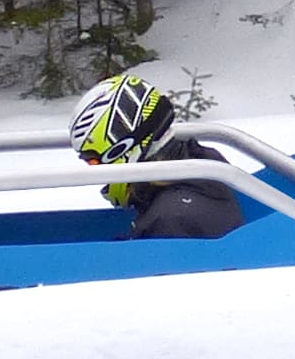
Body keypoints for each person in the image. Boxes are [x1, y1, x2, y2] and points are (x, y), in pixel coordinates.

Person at [68, 71, 249, 240]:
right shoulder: (198, 170)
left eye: (94, 161)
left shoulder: (171, 220)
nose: (98, 173)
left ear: (122, 148)